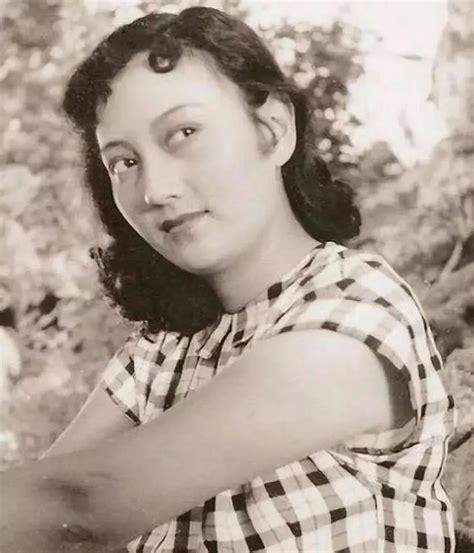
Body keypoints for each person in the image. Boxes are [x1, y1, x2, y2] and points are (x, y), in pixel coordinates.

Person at [0, 7, 455, 552]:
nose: (155, 190)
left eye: (184, 133)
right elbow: (33, 515)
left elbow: (82, 506)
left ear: (273, 130)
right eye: (123, 162)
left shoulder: (352, 313)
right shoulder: (164, 348)